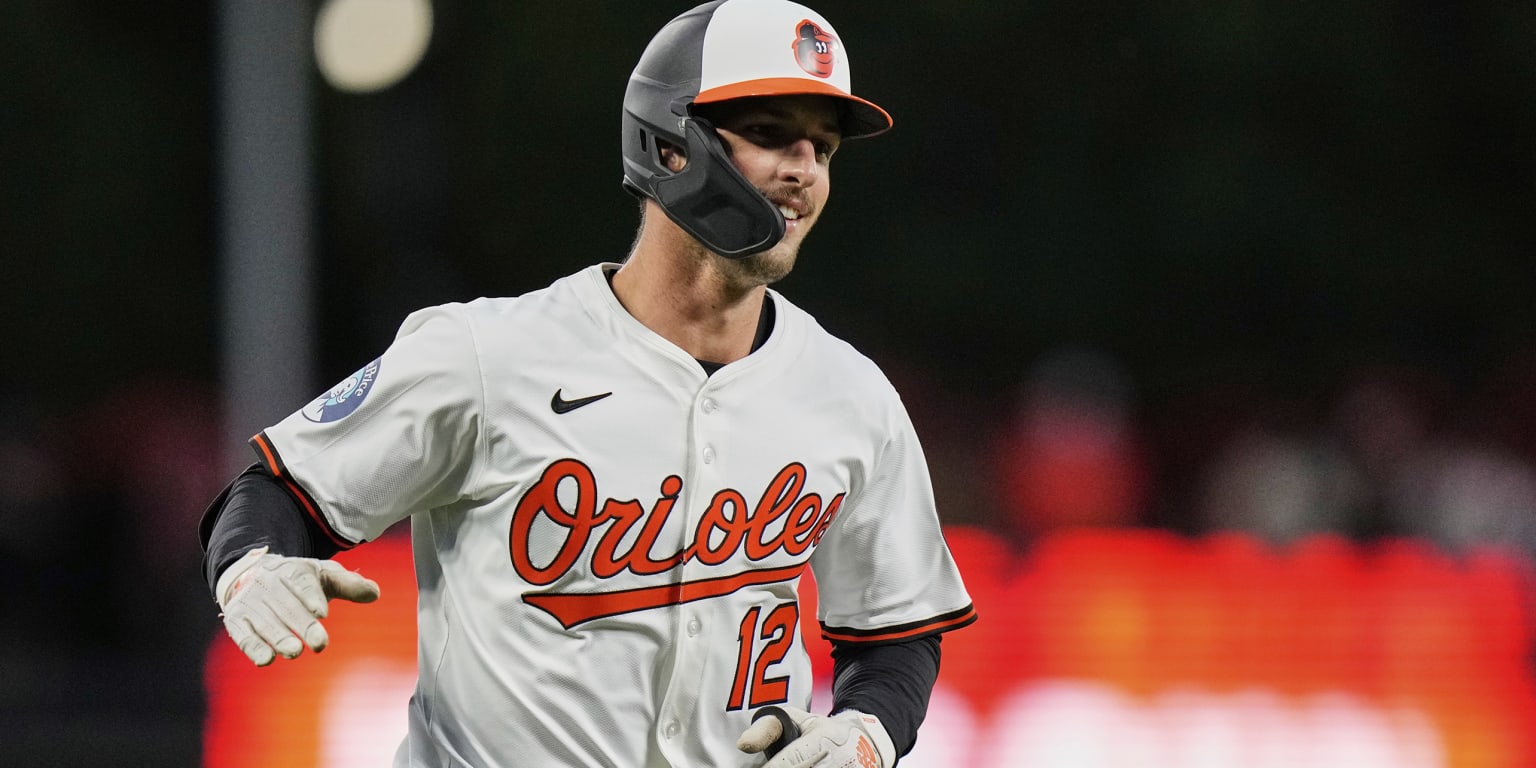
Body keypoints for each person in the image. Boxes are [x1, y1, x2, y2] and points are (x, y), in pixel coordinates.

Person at [199, 1, 976, 766]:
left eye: (823, 148)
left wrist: (871, 730)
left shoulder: (850, 393)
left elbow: (895, 629)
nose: (803, 170)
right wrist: (252, 566)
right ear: (671, 145)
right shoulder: (488, 354)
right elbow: (281, 489)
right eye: (771, 134)